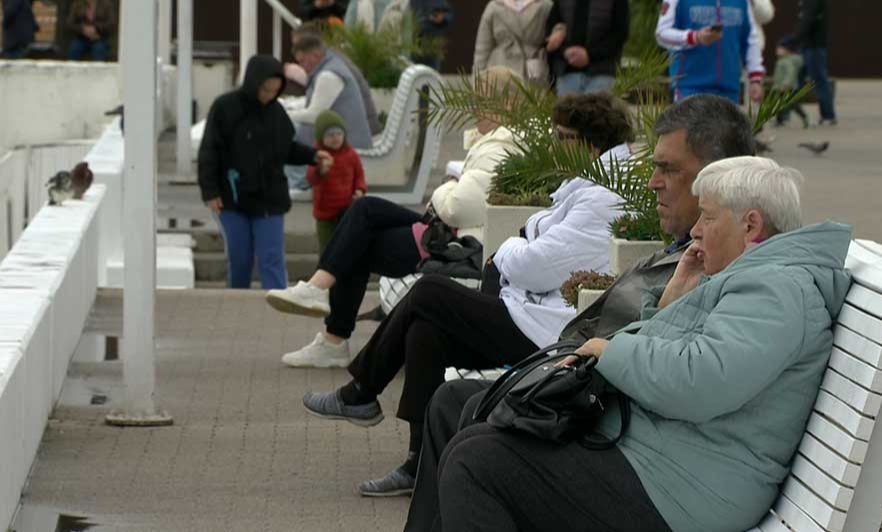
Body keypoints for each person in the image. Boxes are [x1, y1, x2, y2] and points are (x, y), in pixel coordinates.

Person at [433, 156, 853, 532]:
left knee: (477, 463)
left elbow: (700, 382)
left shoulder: (776, 290)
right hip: (666, 458)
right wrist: (670, 301)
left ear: (751, 225)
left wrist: (606, 351)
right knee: (475, 422)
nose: (695, 230)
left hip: (686, 488)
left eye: (707, 217)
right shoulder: (755, 279)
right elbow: (690, 363)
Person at [403, 93, 758, 532]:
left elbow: (692, 377)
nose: (651, 182)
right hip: (605, 401)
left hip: (648, 452)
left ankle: (363, 396)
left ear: (716, 176)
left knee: (475, 452)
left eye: (668, 168)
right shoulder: (697, 252)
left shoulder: (739, 269)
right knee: (452, 399)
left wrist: (603, 355)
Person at [299, 92, 632, 498]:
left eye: (562, 136)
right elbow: (539, 254)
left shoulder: (603, 196)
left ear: (589, 142)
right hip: (529, 309)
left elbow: (539, 263)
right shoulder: (589, 184)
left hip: (547, 330)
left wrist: (506, 250)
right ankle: (417, 462)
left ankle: (362, 391)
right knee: (426, 329)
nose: (553, 144)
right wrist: (518, 246)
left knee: (429, 292)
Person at [265, 66, 523, 364]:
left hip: (456, 244)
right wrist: (451, 188)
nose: (473, 107)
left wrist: (447, 186)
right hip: (448, 233)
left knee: (361, 232)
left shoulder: (500, 147)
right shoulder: (497, 142)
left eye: (482, 98)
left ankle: (329, 325)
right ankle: (320, 300)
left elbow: (456, 208)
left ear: (507, 104)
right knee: (364, 211)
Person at [197, 55, 322, 290]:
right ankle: (237, 305)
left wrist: (314, 156)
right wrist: (210, 191)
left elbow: (287, 148)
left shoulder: (276, 113)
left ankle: (278, 309)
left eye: (274, 91)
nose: (268, 96)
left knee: (272, 258)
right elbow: (209, 151)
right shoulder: (225, 107)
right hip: (231, 200)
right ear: (253, 82)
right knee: (240, 259)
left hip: (269, 201)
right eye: (265, 89)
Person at [284, 34, 374, 198]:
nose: (301, 66)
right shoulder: (330, 65)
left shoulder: (328, 75)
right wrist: (289, 106)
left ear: (315, 55)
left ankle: (297, 183)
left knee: (288, 128)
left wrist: (286, 114)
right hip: (342, 133)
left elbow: (315, 115)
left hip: (347, 140)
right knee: (292, 124)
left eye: (303, 61)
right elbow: (315, 105)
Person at [656, 0, 765, 104]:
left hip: (729, 90)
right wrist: (694, 37)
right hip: (689, 88)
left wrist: (755, 78)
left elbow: (750, 40)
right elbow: (661, 33)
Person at [307, 110, 367, 249]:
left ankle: (346, 269)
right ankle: (325, 269)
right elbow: (310, 177)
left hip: (347, 210)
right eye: (330, 135)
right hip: (325, 214)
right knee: (327, 247)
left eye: (339, 134)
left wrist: (360, 189)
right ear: (321, 137)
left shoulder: (351, 154)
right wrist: (319, 171)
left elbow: (359, 175)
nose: (335, 138)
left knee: (346, 245)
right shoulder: (318, 154)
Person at [545, 0, 630, 96]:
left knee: (597, 110)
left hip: (601, 73)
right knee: (567, 110)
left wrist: (589, 55)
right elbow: (550, 29)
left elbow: (620, 34)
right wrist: (564, 51)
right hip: (567, 73)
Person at [473, 0, 554, 82]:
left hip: (534, 66)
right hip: (500, 69)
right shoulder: (493, 7)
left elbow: (556, 31)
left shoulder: (545, 6)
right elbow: (482, 49)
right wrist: (478, 82)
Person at [789, 0, 836, 125]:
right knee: (793, 79)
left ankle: (828, 115)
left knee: (819, 79)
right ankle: (783, 115)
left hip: (814, 46)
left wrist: (792, 40)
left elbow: (807, 21)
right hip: (807, 45)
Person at [774, 36, 809, 127]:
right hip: (781, 86)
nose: (777, 50)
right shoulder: (783, 60)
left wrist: (785, 84)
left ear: (788, 50)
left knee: (792, 104)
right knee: (779, 104)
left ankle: (804, 117)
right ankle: (779, 120)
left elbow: (790, 74)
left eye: (780, 48)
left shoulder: (787, 61)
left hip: (787, 88)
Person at [410, 0, 452, 70]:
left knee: (431, 74)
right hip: (413, 46)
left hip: (432, 45)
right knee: (414, 73)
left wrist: (442, 18)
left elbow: (449, 15)